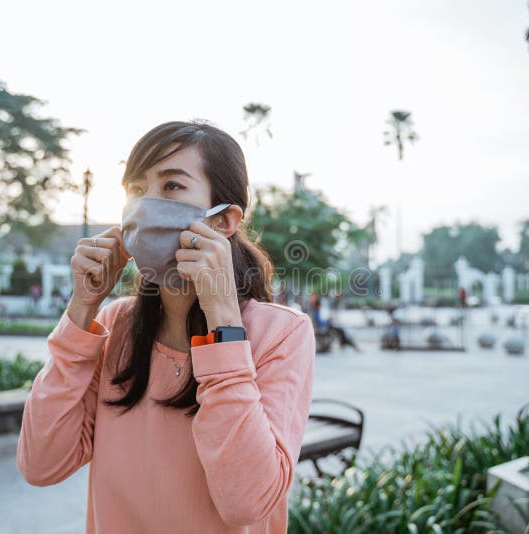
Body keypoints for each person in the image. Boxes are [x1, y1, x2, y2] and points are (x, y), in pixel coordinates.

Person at [17, 121, 316, 534]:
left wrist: (225, 324)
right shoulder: (113, 324)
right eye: (136, 190)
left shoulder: (282, 334)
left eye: (172, 187)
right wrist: (81, 310)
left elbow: (247, 502)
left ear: (225, 220)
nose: (145, 206)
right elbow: (40, 464)